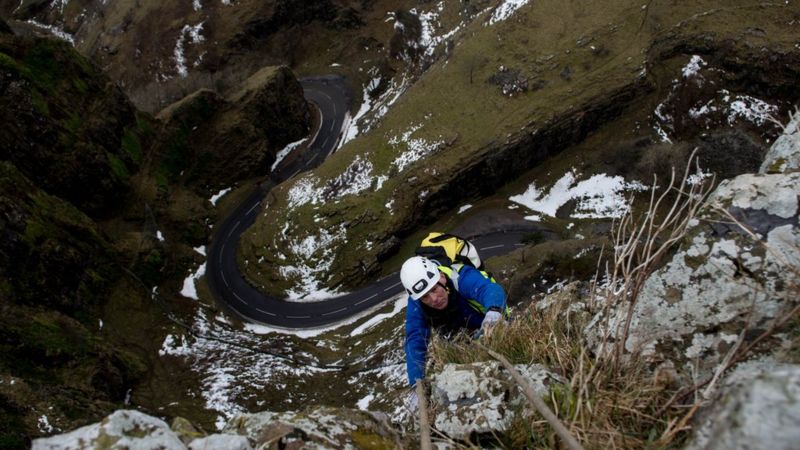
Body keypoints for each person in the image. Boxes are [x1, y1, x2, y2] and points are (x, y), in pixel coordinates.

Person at [400, 255, 508, 389]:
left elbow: (489, 289)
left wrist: (493, 314)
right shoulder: (417, 301)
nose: (434, 299)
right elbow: (415, 339)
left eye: (434, 289)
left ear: (442, 278)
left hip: (491, 322)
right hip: (458, 340)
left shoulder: (461, 277)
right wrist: (416, 385)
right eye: (425, 297)